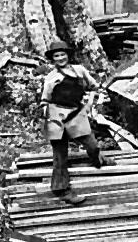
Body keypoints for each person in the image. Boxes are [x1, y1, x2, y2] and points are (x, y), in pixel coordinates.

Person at [39, 43, 104, 205]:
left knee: (92, 145)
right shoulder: (51, 78)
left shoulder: (79, 70)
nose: (60, 58)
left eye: (62, 54)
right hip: (56, 115)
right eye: (56, 56)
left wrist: (89, 103)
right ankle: (62, 189)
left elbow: (94, 87)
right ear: (52, 59)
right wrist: (48, 121)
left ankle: (98, 159)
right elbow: (44, 100)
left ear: (68, 55)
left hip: (76, 113)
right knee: (60, 155)